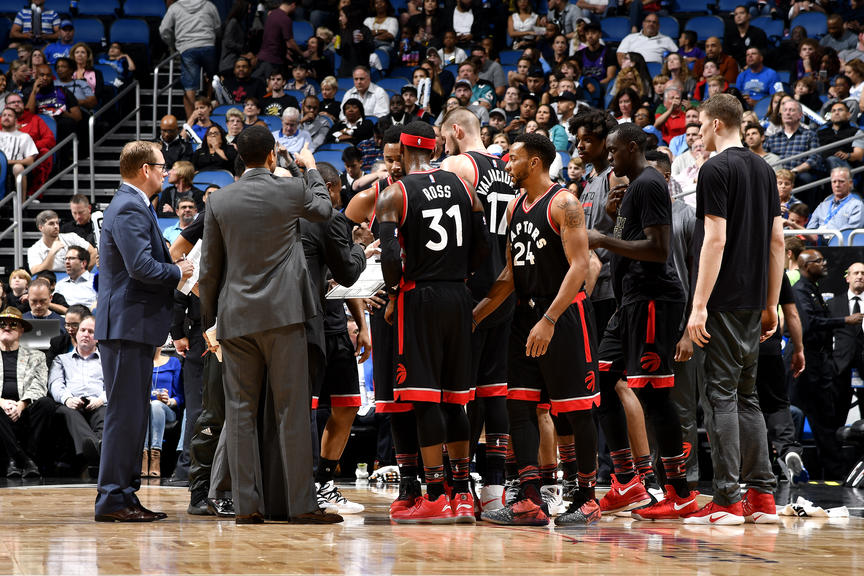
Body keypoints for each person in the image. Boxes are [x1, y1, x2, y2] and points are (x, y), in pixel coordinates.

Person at [198, 126, 340, 524]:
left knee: (239, 411)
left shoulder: (219, 200)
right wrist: (310, 169)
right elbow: (324, 210)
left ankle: (247, 507)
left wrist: (211, 321)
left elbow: (209, 269)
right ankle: (302, 506)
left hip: (236, 318)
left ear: (239, 158)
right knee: (292, 411)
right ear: (274, 155)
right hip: (284, 316)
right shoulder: (291, 188)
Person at [472, 132, 600, 527]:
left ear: (534, 163)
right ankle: (529, 498)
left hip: (562, 317)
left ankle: (588, 497)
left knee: (576, 410)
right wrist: (474, 315)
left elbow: (580, 266)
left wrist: (549, 319)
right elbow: (510, 273)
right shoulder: (514, 207)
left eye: (513, 159)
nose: (507, 166)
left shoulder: (564, 203)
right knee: (519, 405)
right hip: (524, 317)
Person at [377, 121, 487, 524]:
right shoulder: (464, 187)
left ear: (404, 151)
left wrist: (392, 294)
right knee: (457, 397)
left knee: (424, 399)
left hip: (418, 298)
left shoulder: (395, 193)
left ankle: (436, 494)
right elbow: (483, 247)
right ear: (436, 146)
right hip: (459, 295)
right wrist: (458, 276)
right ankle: (462, 494)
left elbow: (390, 256)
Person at [586, 123, 697, 521]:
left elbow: (658, 248)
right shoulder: (634, 188)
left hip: (654, 299)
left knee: (653, 395)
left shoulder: (650, 183)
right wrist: (615, 217)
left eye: (614, 151)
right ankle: (628, 483)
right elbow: (631, 238)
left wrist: (602, 239)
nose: (610, 158)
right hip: (629, 301)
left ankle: (679, 493)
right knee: (600, 381)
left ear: (632, 147)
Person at [685, 93, 782, 525]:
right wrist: (772, 302)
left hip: (722, 299)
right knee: (749, 397)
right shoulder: (765, 169)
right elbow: (778, 241)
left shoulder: (715, 168)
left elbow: (715, 239)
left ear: (718, 124)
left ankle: (726, 499)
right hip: (754, 300)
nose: (698, 134)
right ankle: (762, 498)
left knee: (719, 398)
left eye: (701, 126)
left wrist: (699, 304)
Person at [94, 141, 194, 523]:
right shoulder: (130, 207)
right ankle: (114, 499)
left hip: (131, 325)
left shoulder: (134, 205)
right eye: (161, 166)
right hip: (125, 326)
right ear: (143, 169)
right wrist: (178, 272)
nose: (165, 172)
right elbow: (142, 268)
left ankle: (123, 495)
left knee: (132, 415)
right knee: (125, 415)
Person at [439, 107, 517, 515]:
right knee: (494, 389)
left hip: (467, 291)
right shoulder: (506, 168)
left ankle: (457, 487)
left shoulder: (457, 164)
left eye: (443, 136)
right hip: (504, 287)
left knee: (458, 392)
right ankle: (494, 489)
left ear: (456, 131)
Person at [792, 249, 858, 480]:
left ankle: (832, 471)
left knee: (824, 418)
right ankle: (827, 469)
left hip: (820, 361)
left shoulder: (813, 290)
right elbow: (808, 324)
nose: (825, 263)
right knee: (812, 417)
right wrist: (844, 320)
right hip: (806, 362)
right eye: (819, 261)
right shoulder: (800, 291)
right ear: (806, 265)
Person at [0, 307, 52, 479]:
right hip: (1, 409)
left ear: (21, 330)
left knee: (46, 403)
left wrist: (21, 405)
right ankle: (24, 460)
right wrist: (2, 402)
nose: (6, 327)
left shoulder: (36, 356)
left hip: (26, 409)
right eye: (2, 324)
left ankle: (15, 460)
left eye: (13, 324)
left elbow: (39, 385)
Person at [48, 314, 104, 469]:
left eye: (91, 331)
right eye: (83, 330)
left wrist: (101, 399)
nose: (86, 334)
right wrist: (67, 399)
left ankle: (94, 452)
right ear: (76, 334)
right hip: (71, 403)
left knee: (106, 413)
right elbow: (55, 384)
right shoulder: (61, 359)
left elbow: (112, 386)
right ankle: (96, 451)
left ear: (98, 337)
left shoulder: (107, 360)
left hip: (97, 402)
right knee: (68, 412)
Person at [159, 0, 221, 120]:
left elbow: (164, 29)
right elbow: (218, 27)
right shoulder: (208, 5)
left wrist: (172, 44)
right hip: (208, 45)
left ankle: (194, 119)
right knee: (213, 79)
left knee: (190, 87)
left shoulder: (175, 8)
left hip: (187, 48)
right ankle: (209, 111)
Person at [830, 262, 864, 440]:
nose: (860, 276)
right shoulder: (833, 304)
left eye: (863, 273)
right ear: (847, 277)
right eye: (856, 272)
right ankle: (836, 463)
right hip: (840, 368)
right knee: (837, 418)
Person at [143, 348, 184, 478]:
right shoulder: (139, 363)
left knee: (155, 405)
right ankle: (143, 457)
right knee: (145, 406)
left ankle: (155, 458)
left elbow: (181, 397)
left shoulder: (173, 362)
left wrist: (170, 401)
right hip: (145, 409)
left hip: (167, 411)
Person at [27, 210, 96, 274]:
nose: (56, 226)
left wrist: (84, 274)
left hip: (75, 277)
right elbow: (35, 272)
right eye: (51, 224)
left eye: (57, 223)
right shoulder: (34, 249)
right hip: (50, 281)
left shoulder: (72, 237)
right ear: (41, 228)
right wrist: (51, 253)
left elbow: (93, 252)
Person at [254, 0, 303, 81]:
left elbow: (273, 37)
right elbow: (290, 43)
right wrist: (302, 53)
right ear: (293, 5)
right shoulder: (285, 19)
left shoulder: (271, 14)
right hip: (273, 61)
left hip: (262, 57)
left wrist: (285, 51)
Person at [0, 106, 38, 190]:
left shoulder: (24, 137)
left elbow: (30, 161)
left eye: (10, 115)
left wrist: (8, 162)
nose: (6, 117)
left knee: (18, 167)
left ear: (16, 120)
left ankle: (22, 202)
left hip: (14, 168)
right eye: (4, 115)